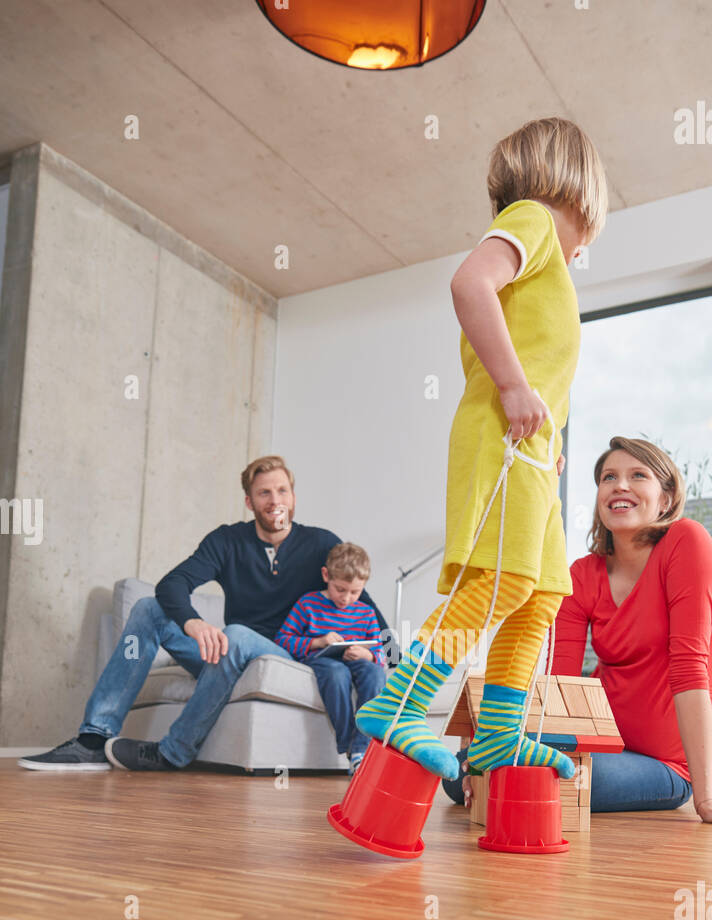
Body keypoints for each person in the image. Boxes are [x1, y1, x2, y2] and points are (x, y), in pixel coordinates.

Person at [355, 116, 608, 787]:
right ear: (579, 188)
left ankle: (497, 737)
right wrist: (516, 388)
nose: (588, 239)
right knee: (502, 582)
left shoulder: (551, 258)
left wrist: (549, 441)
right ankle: (399, 706)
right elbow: (470, 285)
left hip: (533, 455)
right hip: (504, 437)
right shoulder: (534, 221)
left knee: (543, 594)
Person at [445, 437, 712, 829]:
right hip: (596, 746)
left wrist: (706, 799)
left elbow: (691, 667)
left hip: (664, 766)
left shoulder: (687, 542)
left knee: (520, 775)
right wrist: (488, 746)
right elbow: (555, 683)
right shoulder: (581, 574)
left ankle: (496, 776)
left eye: (637, 475)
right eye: (608, 477)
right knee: (459, 769)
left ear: (665, 499)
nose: (620, 486)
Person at [19, 457, 389, 772]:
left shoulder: (321, 543)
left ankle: (173, 753)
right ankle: (93, 739)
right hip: (226, 654)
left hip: (286, 653)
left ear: (293, 497)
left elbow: (364, 606)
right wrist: (193, 623)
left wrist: (388, 655)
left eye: (282, 491)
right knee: (150, 609)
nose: (275, 500)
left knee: (239, 634)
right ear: (249, 501)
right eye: (264, 492)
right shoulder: (227, 541)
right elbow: (172, 584)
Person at [274, 542, 386, 775]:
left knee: (374, 672)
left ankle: (360, 749)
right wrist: (319, 642)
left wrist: (368, 654)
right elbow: (283, 640)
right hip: (323, 660)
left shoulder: (366, 613)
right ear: (326, 575)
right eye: (340, 589)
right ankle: (349, 745)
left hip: (356, 659)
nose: (346, 598)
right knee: (337, 673)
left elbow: (381, 653)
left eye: (355, 592)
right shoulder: (308, 604)